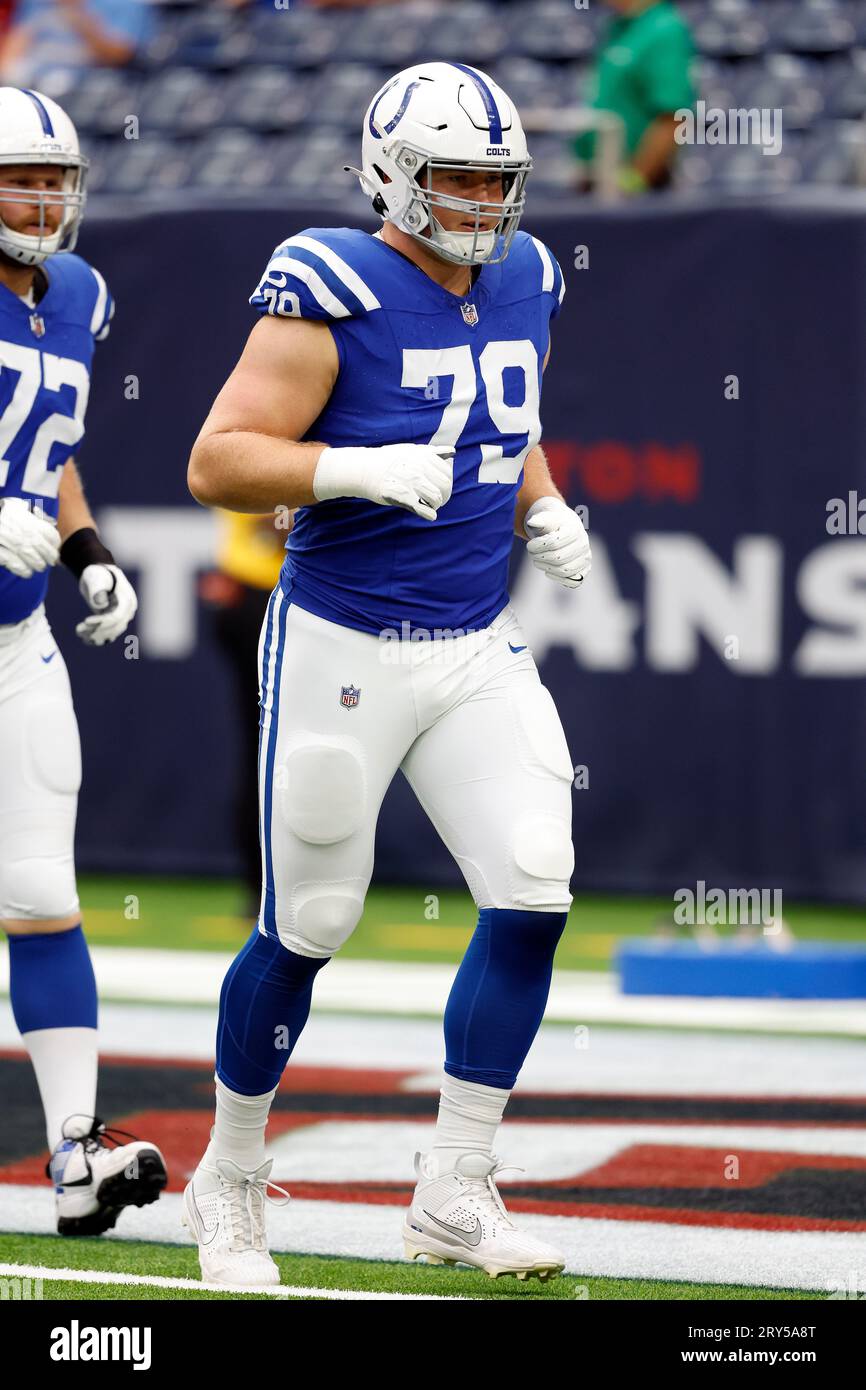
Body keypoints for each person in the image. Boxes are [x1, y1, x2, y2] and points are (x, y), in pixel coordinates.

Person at [184, 61, 590, 1287]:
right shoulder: (329, 285)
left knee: (533, 886)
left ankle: (454, 1189)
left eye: (496, 181)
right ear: (389, 177)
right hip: (344, 640)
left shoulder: (525, 274)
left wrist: (543, 503)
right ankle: (231, 1179)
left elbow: (497, 423)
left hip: (470, 640)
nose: (478, 203)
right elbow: (217, 460)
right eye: (454, 177)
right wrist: (344, 472)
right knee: (306, 923)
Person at [0, 86, 167, 1234]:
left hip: (15, 638)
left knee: (44, 897)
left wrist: (87, 553)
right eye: (22, 178)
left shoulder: (76, 295)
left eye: (58, 179)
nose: (46, 199)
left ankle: (72, 1155)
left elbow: (49, 453)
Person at [574, 0, 695, 193]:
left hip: (636, 193)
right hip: (601, 179)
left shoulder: (664, 28)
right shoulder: (618, 27)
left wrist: (634, 181)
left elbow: (672, 118)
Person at [0, 0, 153, 84]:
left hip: (83, 77)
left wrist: (77, 12)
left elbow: (119, 56)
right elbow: (16, 42)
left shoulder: (125, 4)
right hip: (33, 72)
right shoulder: (36, 2)